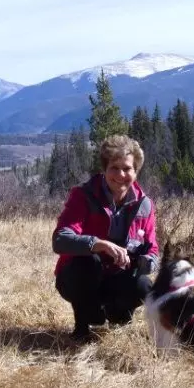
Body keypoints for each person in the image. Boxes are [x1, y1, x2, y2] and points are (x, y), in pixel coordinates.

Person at [52, 134, 159, 340]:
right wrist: (98, 244)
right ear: (104, 169)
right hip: (77, 278)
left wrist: (145, 262)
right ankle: (83, 325)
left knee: (144, 286)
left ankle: (118, 315)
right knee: (88, 262)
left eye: (127, 168)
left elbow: (152, 250)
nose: (120, 174)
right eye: (114, 168)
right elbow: (60, 239)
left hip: (117, 277)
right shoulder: (83, 196)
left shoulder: (144, 205)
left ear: (136, 171)